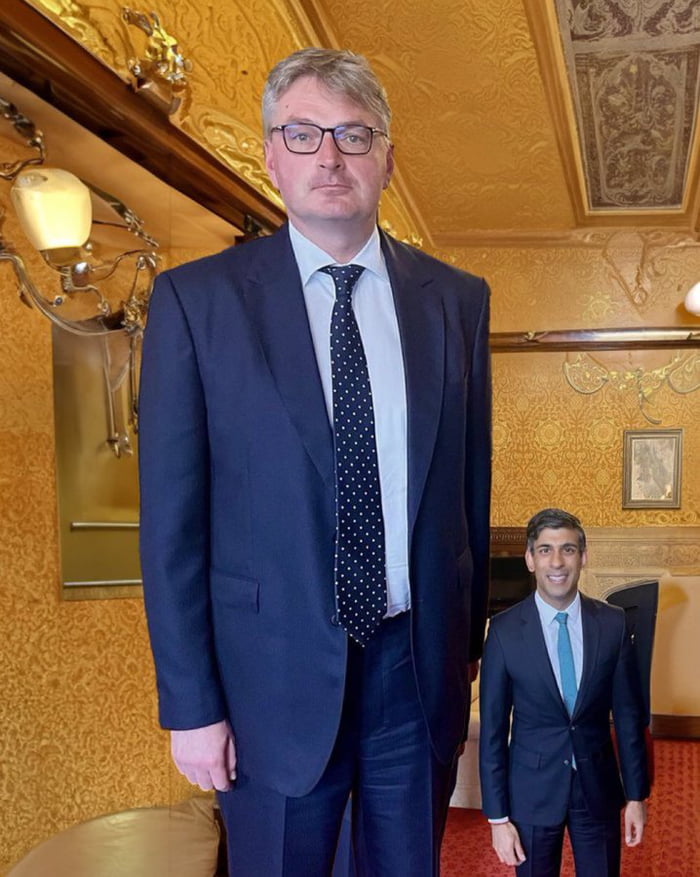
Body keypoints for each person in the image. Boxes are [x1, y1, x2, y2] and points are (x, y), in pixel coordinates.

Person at [138, 46, 491, 876]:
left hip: (415, 674)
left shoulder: (458, 301)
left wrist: (463, 647)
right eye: (304, 135)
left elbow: (468, 494)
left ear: (387, 158)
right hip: (268, 686)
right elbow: (172, 527)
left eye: (354, 135)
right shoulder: (198, 303)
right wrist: (192, 707)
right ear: (269, 155)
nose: (330, 157)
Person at [479, 508, 650, 877]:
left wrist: (636, 796)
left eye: (568, 549)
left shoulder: (613, 624)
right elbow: (492, 732)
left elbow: (629, 718)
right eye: (545, 550)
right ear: (529, 559)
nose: (556, 562)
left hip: (597, 791)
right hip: (532, 794)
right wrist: (497, 818)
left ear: (583, 557)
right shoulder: (504, 632)